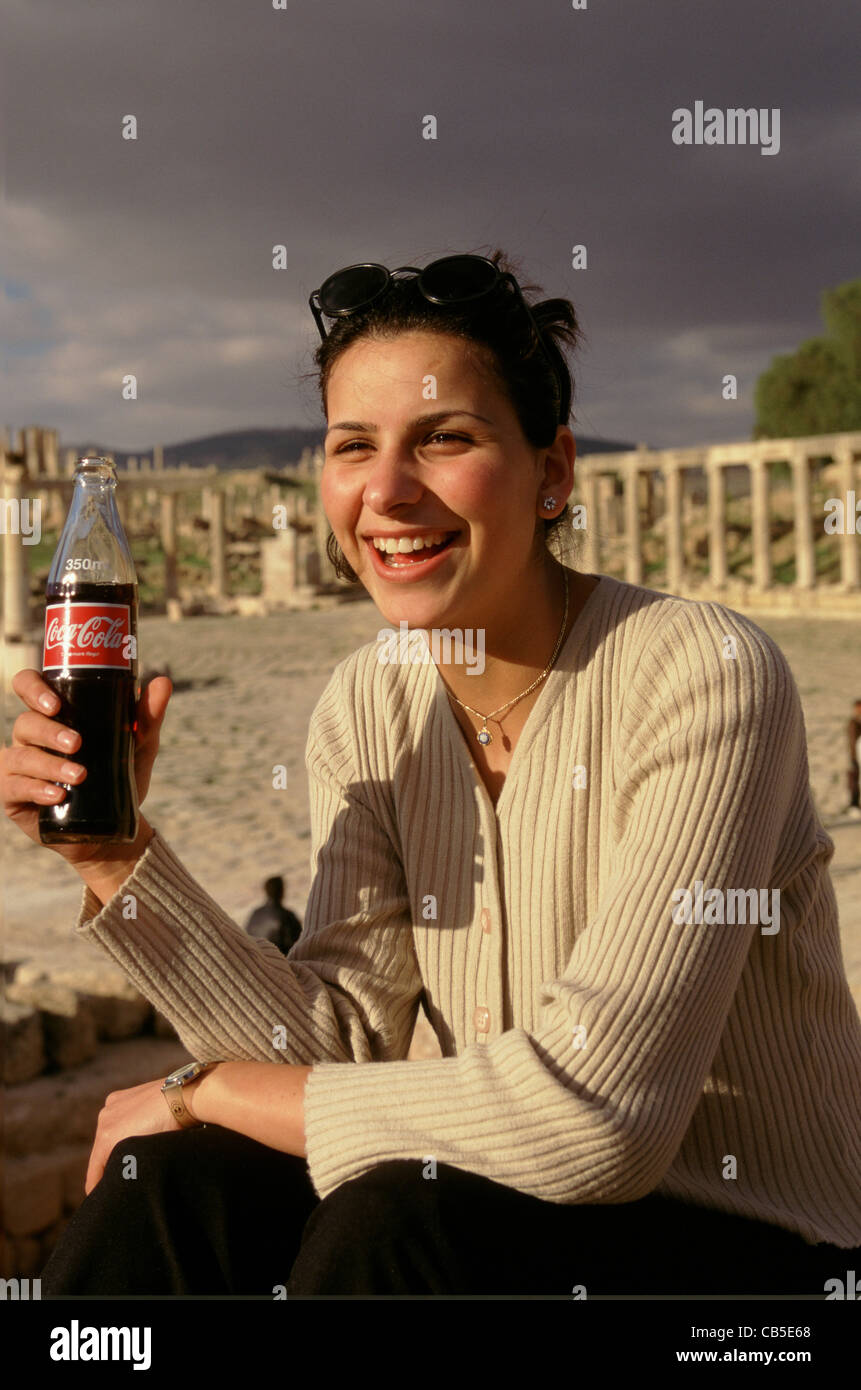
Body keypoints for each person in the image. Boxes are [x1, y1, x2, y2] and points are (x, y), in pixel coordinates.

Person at [3, 249, 860, 1298]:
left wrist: (201, 1087)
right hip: (481, 1213)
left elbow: (602, 1122)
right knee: (166, 1187)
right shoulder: (366, 702)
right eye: (352, 446)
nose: (387, 491)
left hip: (752, 1263)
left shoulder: (702, 672)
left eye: (444, 438)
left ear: (553, 472)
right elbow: (335, 1045)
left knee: (392, 1224)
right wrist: (116, 859)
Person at [245, 875, 302, 955]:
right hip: (280, 963)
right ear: (281, 891)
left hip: (257, 962)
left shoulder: (255, 914)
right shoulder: (286, 916)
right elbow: (298, 946)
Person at [846, 699, 861, 818]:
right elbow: (852, 742)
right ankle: (854, 805)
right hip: (855, 757)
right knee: (854, 781)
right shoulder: (853, 723)